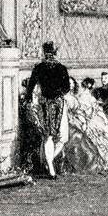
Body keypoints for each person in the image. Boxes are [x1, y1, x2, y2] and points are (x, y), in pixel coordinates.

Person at [61, 78, 108, 174]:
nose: (71, 86)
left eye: (72, 84)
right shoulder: (75, 98)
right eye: (69, 84)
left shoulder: (81, 97)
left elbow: (90, 110)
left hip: (85, 119)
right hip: (78, 120)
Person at [29, 41, 71, 179]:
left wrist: (31, 98)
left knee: (51, 136)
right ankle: (51, 167)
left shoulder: (40, 67)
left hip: (49, 102)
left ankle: (49, 164)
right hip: (53, 103)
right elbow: (66, 88)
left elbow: (31, 87)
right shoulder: (61, 68)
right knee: (50, 136)